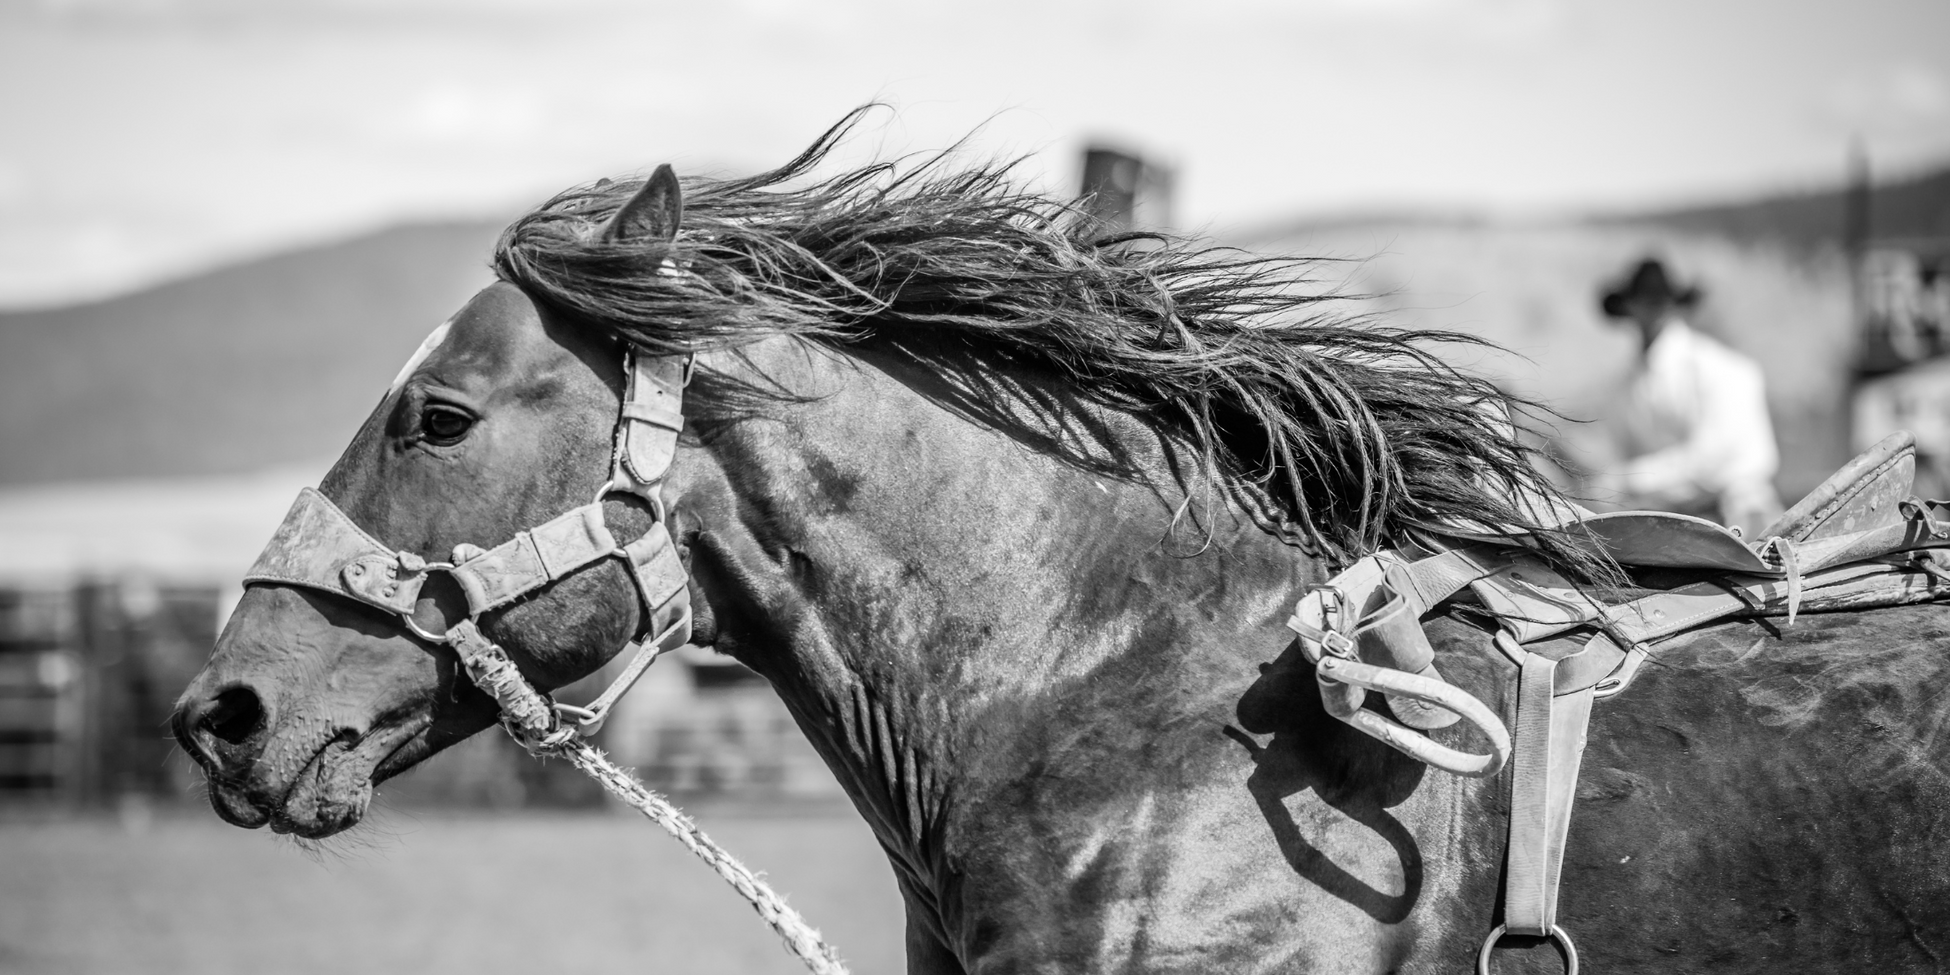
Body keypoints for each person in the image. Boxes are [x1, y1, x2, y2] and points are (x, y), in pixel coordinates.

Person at [1590, 258, 1783, 536]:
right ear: (1629, 307)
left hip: (1736, 510)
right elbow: (1625, 458)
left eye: (1657, 301)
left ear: (1672, 306)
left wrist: (1627, 479)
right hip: (1669, 514)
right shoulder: (1622, 386)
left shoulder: (1722, 369)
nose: (1651, 310)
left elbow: (1710, 461)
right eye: (1644, 301)